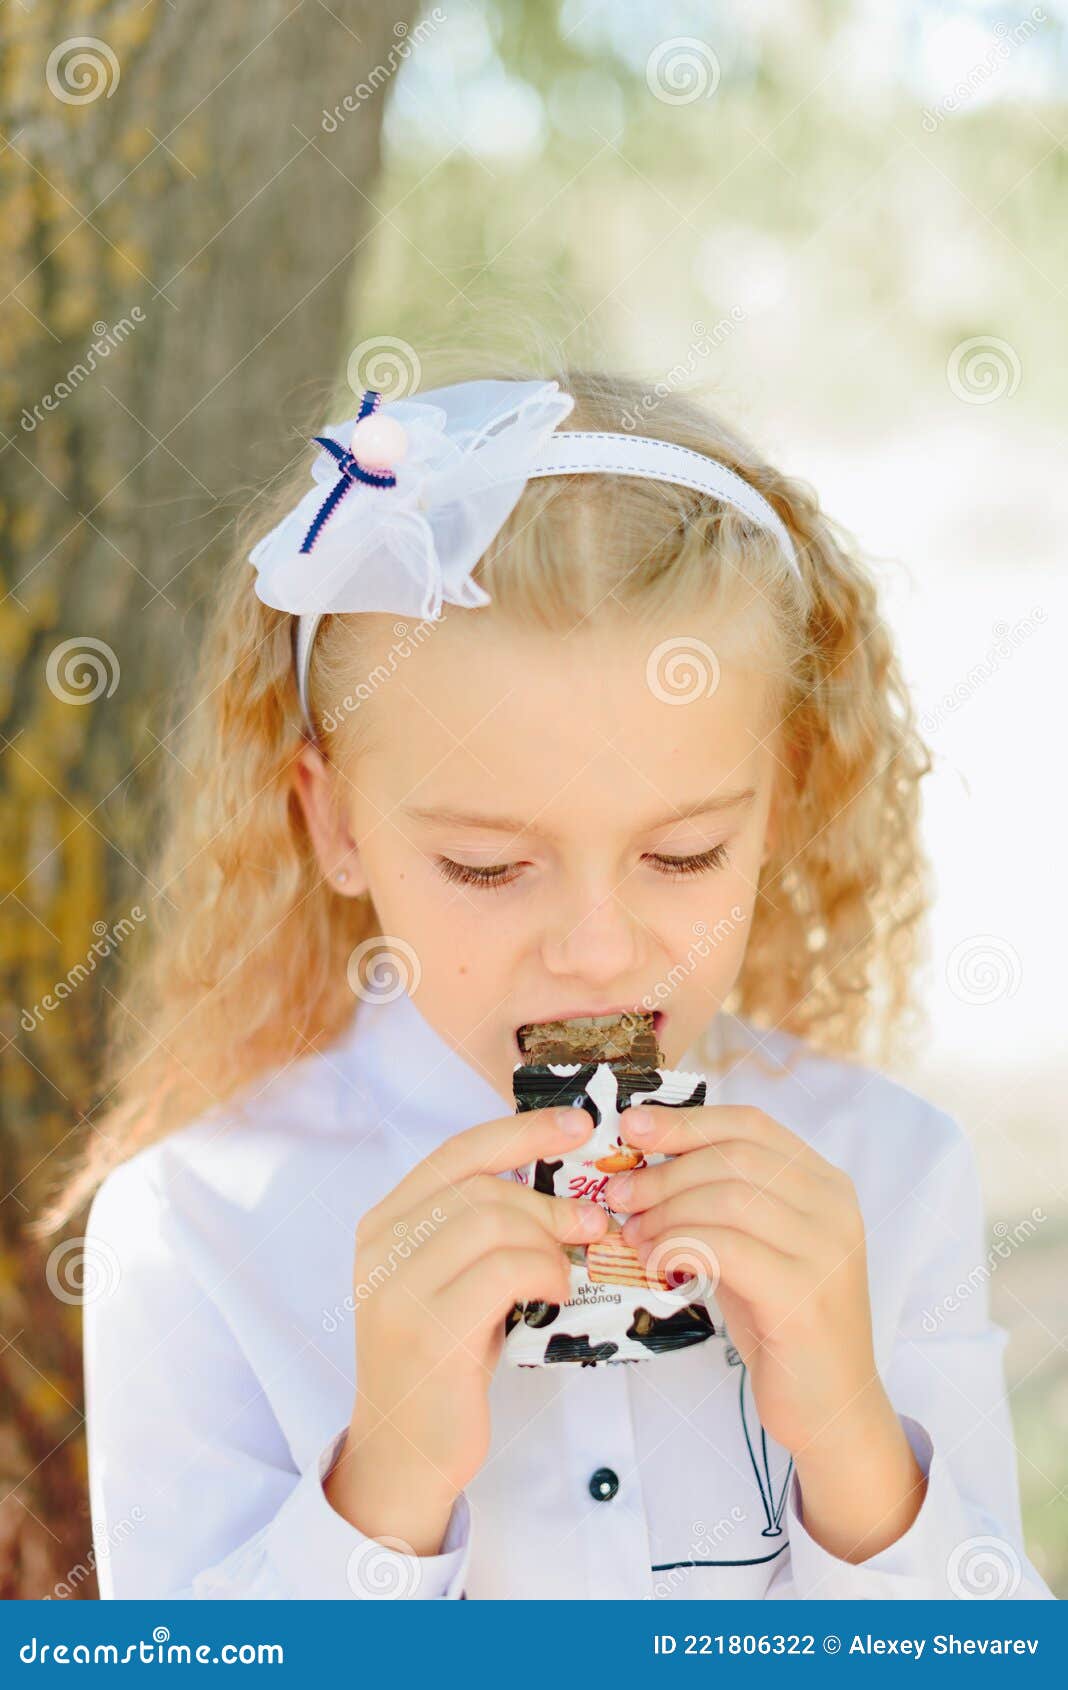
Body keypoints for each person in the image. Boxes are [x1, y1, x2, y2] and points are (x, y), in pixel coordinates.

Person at [52, 365, 1051, 1598]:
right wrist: (384, 1488)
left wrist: (855, 1449)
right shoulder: (194, 1229)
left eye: (683, 854)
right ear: (335, 823)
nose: (597, 950)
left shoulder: (894, 1171)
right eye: (487, 866)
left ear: (781, 800)